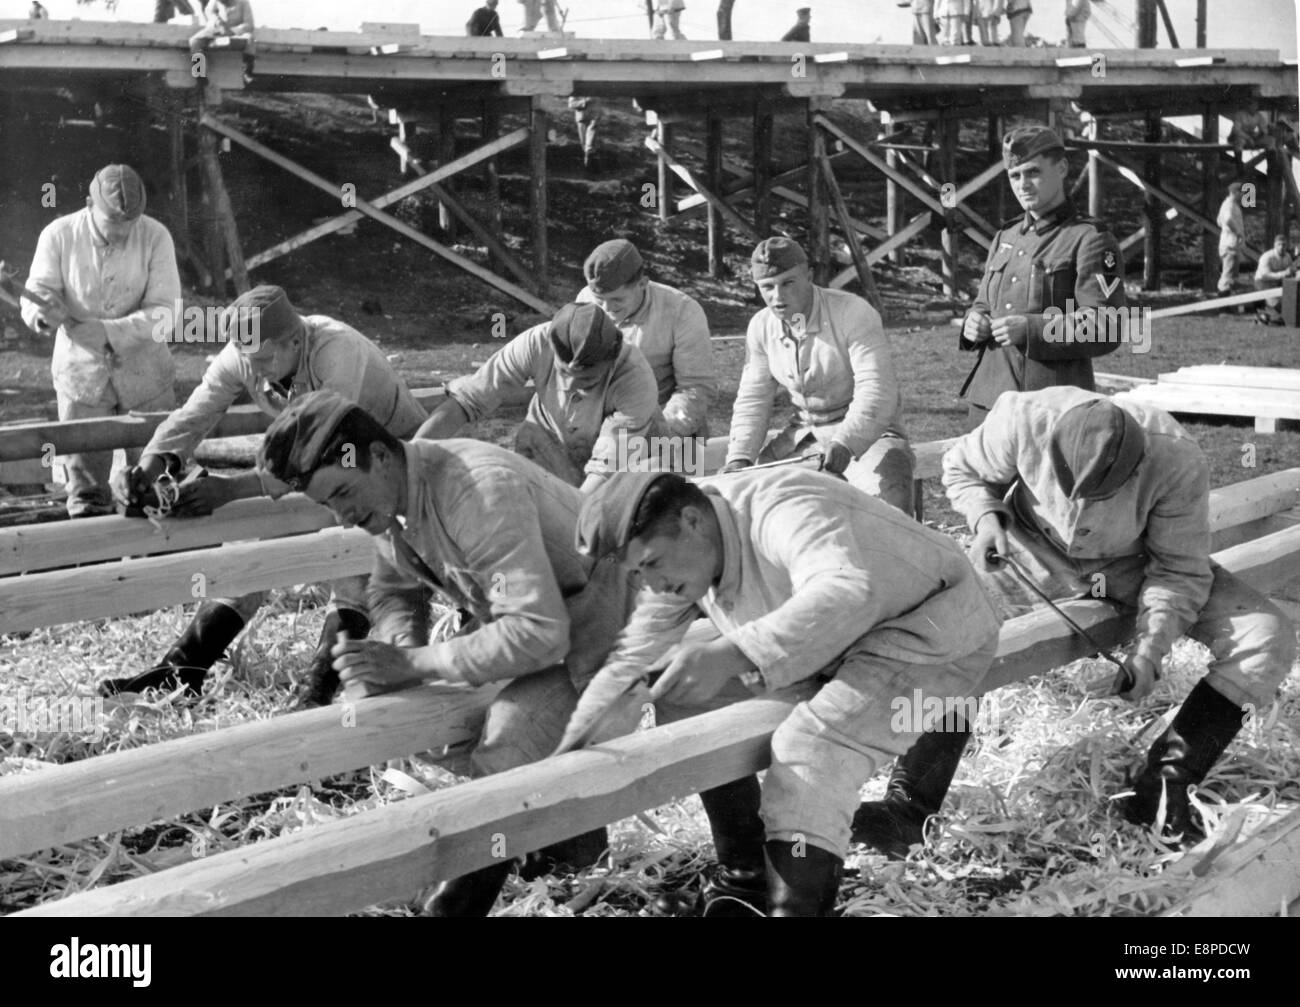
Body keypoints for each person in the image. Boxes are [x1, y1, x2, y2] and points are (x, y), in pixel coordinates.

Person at [555, 468, 1002, 915]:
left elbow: (845, 590)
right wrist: (594, 719)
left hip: (928, 634)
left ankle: (797, 909)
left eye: (651, 564)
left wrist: (735, 651)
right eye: (637, 573)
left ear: (692, 520)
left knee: (811, 746)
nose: (651, 585)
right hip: (834, 644)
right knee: (684, 695)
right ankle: (746, 880)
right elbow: (633, 650)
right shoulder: (689, 544)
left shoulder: (783, 509)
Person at [260, 390, 636, 915]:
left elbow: (538, 631)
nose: (344, 516)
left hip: (606, 631)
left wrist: (415, 665)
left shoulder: (475, 491)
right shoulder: (391, 503)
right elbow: (393, 592)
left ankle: (455, 905)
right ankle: (570, 854)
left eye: (344, 492)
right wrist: (399, 656)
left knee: (509, 740)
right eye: (329, 504)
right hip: (544, 634)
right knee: (437, 732)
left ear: (383, 456)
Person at [943, 387, 1296, 840]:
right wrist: (985, 518)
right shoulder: (1020, 415)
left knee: (1265, 636)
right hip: (1028, 552)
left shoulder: (1177, 461)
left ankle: (1164, 786)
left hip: (1130, 564)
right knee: (948, 635)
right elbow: (962, 470)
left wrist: (1149, 651)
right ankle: (910, 804)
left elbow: (1176, 570)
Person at [104, 285, 427, 706]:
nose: (255, 373)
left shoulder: (337, 352)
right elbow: (194, 415)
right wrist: (152, 466)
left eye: (263, 361)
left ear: (296, 341)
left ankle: (319, 687)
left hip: (386, 464)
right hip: (320, 463)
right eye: (248, 361)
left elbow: (321, 444)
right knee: (250, 546)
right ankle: (182, 670)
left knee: (347, 552)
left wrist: (233, 488)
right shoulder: (247, 353)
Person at [21, 164, 179, 519]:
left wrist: (108, 332)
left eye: (130, 225)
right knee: (87, 493)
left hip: (146, 377)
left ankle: (157, 567)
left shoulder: (156, 237)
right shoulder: (58, 235)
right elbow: (35, 297)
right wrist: (44, 316)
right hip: (82, 379)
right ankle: (94, 567)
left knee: (159, 485)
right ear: (90, 205)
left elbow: (166, 312)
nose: (123, 234)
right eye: (114, 226)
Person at [724, 237, 915, 517]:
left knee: (888, 503)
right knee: (751, 504)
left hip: (869, 436)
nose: (777, 297)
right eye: (767, 287)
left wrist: (847, 442)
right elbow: (753, 399)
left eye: (788, 283)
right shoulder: (760, 326)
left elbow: (877, 391)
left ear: (809, 276)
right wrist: (739, 457)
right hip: (802, 437)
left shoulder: (852, 312)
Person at [958, 125, 1124, 430]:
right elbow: (983, 303)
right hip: (988, 404)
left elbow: (1107, 326)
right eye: (1015, 175)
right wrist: (974, 321)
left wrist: (1032, 329)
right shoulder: (1004, 237)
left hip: (1052, 408)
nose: (1023, 185)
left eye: (1033, 172)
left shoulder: (1089, 239)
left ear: (1061, 168)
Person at [416, 302, 666, 491]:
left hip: (628, 463)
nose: (569, 385)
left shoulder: (635, 379)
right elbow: (468, 399)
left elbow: (607, 466)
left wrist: (575, 517)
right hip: (548, 445)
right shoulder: (535, 342)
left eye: (587, 380)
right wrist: (413, 455)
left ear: (611, 360)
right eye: (563, 373)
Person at [575, 239, 716, 440]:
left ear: (642, 284)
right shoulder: (585, 300)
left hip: (669, 426)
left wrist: (658, 435)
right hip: (605, 426)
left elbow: (696, 388)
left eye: (617, 299)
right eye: (600, 300)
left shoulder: (683, 311)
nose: (606, 309)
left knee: (680, 467)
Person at [190, 1, 256, 83]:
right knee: (195, 41)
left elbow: (249, 24)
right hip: (218, 29)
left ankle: (247, 72)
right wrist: (217, 21)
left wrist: (232, 31)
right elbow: (208, 10)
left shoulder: (244, 2)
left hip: (235, 32)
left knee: (250, 39)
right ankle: (199, 73)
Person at [1253, 233, 1294, 322]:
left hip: (1277, 283)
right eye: (1279, 244)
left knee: (1291, 301)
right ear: (1274, 245)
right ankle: (1269, 314)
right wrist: (1283, 274)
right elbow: (1264, 275)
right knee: (1277, 304)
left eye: (1284, 244)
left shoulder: (1288, 257)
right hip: (1262, 283)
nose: (1281, 247)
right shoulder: (1266, 257)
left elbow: (1290, 272)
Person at [1217, 181, 1246, 295]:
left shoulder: (1234, 205)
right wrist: (1237, 232)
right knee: (1227, 275)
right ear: (1235, 192)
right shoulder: (1228, 204)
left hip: (1234, 245)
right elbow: (1227, 219)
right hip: (1229, 245)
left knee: (1232, 276)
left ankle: (1229, 302)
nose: (1243, 195)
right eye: (1241, 193)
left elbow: (1219, 221)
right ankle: (1223, 306)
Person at [567, 95, 600, 173]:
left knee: (590, 144)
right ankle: (587, 167)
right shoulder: (577, 91)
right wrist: (585, 101)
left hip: (593, 118)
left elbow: (598, 103)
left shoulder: (595, 90)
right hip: (582, 119)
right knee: (584, 144)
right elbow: (571, 104)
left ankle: (590, 162)